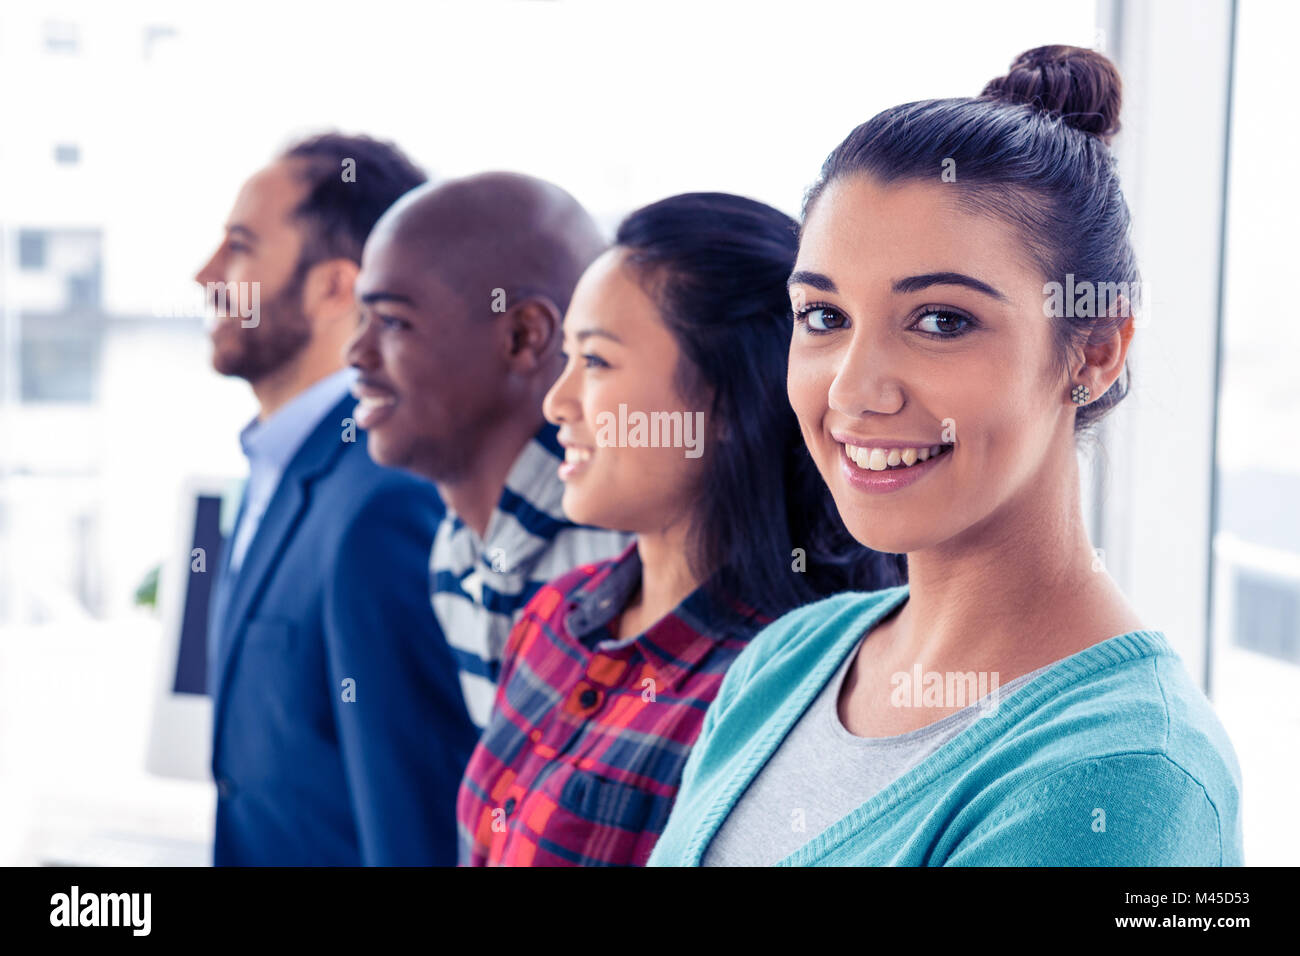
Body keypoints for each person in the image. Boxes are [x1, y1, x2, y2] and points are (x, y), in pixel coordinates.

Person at [648, 46, 1243, 866]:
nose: (855, 390)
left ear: (1095, 351)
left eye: (941, 321)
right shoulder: (787, 663)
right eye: (823, 316)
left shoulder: (1126, 780)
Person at [455, 192, 907, 866]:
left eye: (599, 363)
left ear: (727, 402)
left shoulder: (789, 690)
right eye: (567, 360)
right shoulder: (553, 616)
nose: (557, 403)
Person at [200, 133, 478, 866]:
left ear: (333, 288)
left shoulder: (384, 500)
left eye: (238, 248)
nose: (205, 276)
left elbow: (409, 823)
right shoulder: (271, 471)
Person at [344, 172, 632, 732]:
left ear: (524, 337)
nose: (356, 353)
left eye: (394, 322)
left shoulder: (619, 549)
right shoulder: (455, 549)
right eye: (362, 319)